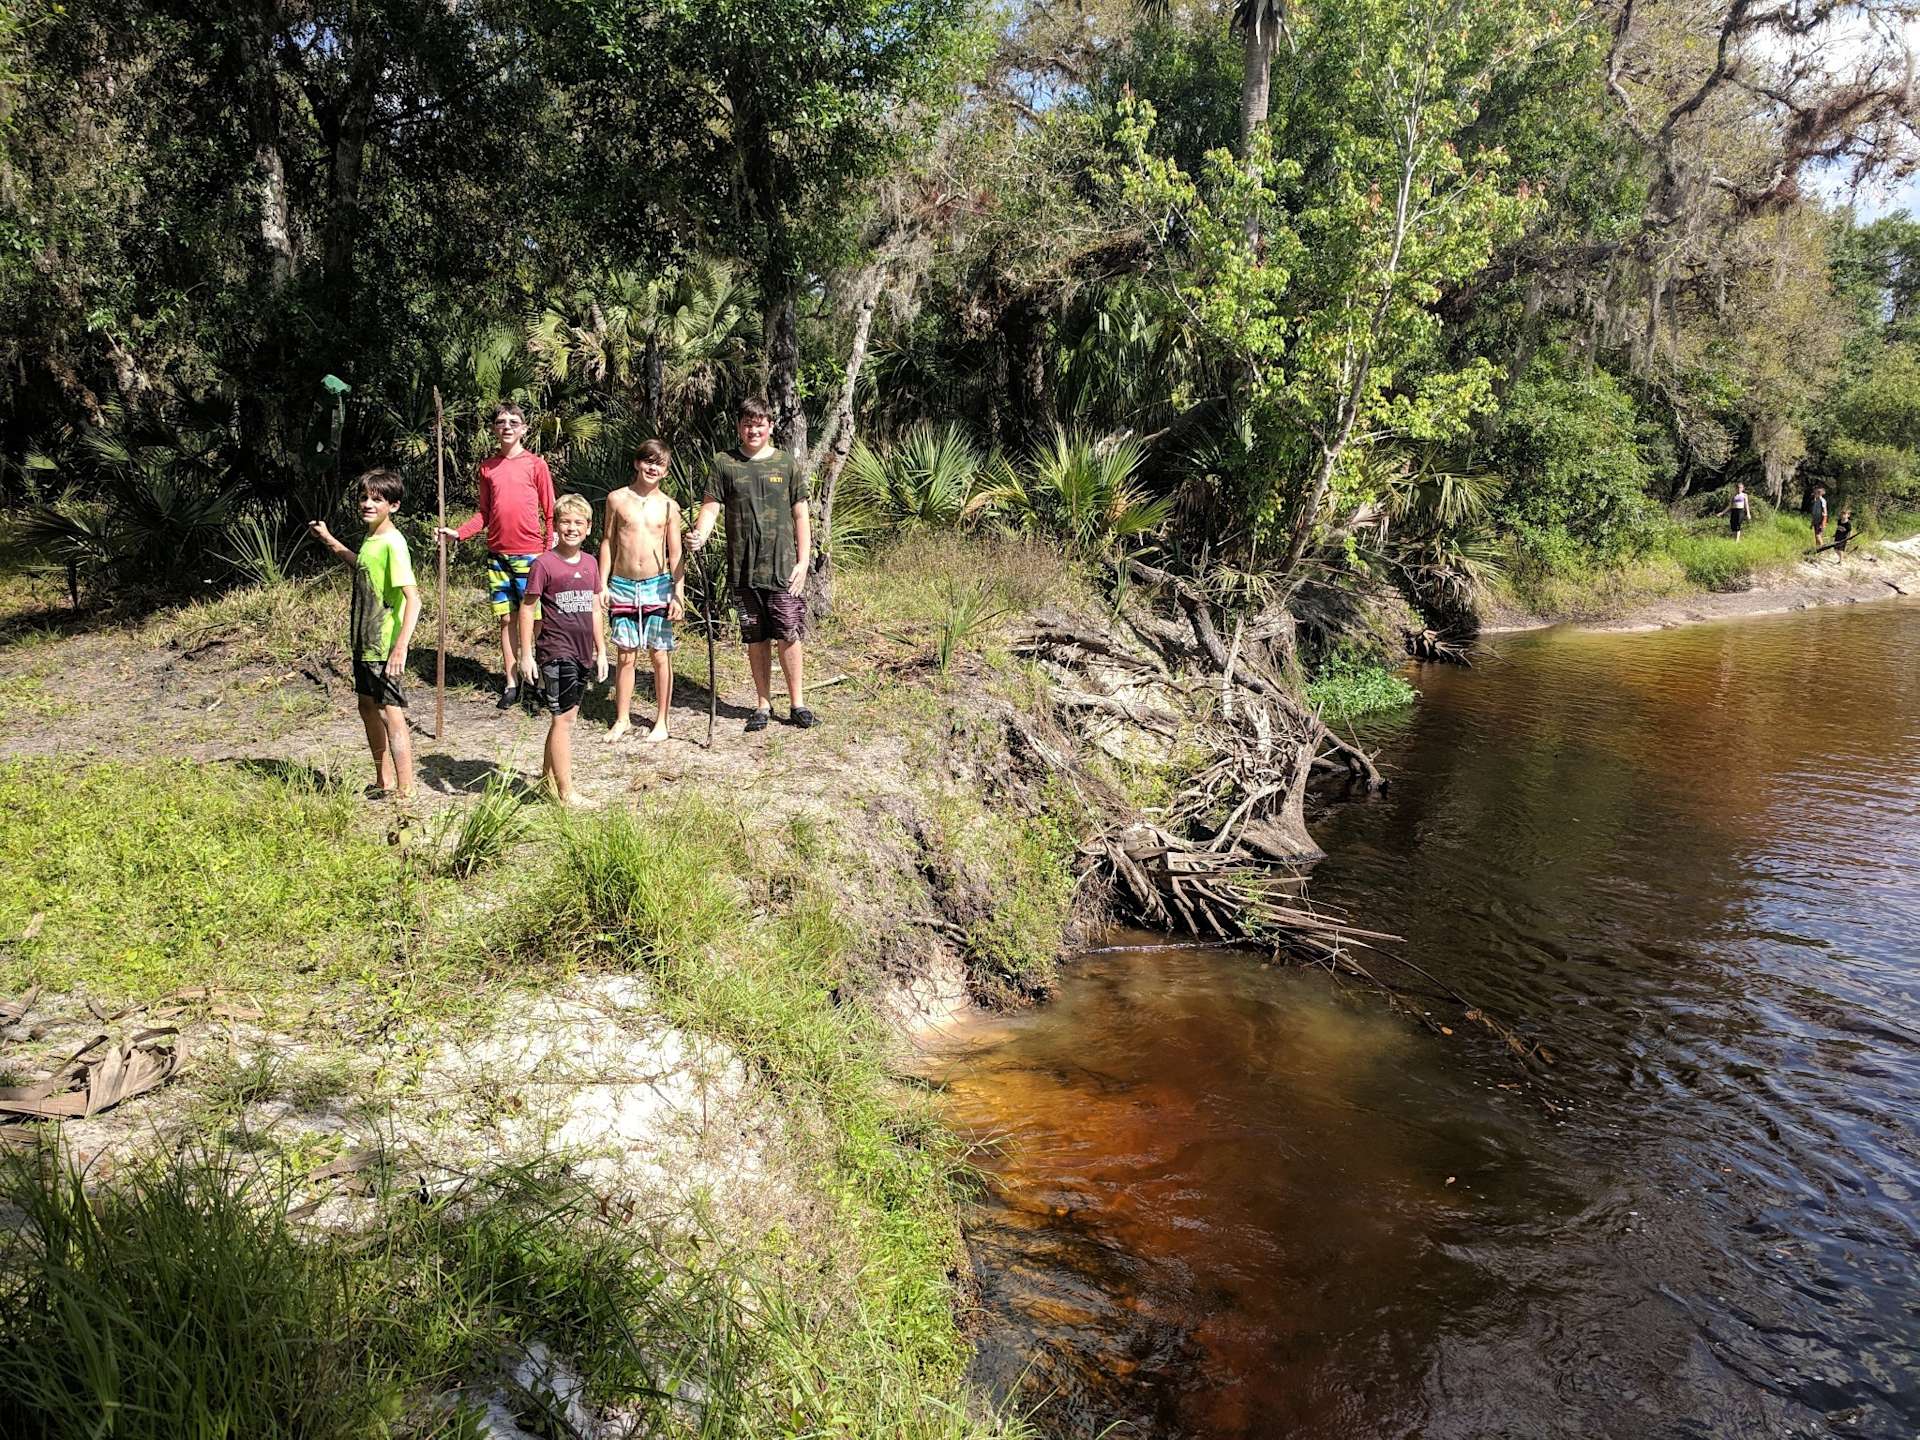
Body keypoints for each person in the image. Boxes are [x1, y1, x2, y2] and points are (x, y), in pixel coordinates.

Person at [688, 397, 816, 732]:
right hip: (743, 569)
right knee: (755, 637)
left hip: (783, 568)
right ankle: (762, 704)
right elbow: (711, 506)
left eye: (759, 424)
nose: (753, 430)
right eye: (747, 424)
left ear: (770, 426)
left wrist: (803, 561)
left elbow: (801, 513)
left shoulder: (786, 464)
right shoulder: (724, 463)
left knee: (788, 633)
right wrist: (699, 534)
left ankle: (797, 703)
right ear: (738, 427)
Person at [308, 470, 420, 800]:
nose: (368, 504)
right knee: (367, 706)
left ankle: (406, 788)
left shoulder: (393, 544)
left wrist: (400, 648)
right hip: (363, 641)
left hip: (383, 642)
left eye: (377, 499)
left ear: (394, 506)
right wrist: (330, 540)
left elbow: (414, 599)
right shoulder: (372, 539)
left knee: (389, 711)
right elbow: (362, 568)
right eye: (365, 498)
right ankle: (383, 780)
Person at [436, 403, 555, 709]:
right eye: (501, 422)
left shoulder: (535, 465)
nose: (507, 427)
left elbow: (549, 510)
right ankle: (512, 682)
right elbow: (484, 514)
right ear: (493, 429)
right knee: (507, 620)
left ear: (524, 428)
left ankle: (539, 681)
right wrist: (459, 533)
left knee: (537, 621)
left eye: (514, 422)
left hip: (530, 555)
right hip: (497, 555)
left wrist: (547, 549)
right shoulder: (488, 467)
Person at [520, 493, 606, 805]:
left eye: (578, 523)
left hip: (583, 652)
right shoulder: (544, 564)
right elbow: (527, 609)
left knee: (563, 718)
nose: (571, 528)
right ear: (555, 526)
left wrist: (602, 651)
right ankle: (567, 793)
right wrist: (526, 653)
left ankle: (546, 782)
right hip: (556, 651)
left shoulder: (591, 563)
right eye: (565, 522)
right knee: (564, 721)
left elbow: (595, 608)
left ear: (588, 528)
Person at [598, 439, 685, 742]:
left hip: (658, 585)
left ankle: (662, 721)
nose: (652, 468)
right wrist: (602, 583)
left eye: (659, 464)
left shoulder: (669, 506)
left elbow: (675, 553)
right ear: (637, 463)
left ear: (665, 471)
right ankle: (622, 718)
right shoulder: (616, 499)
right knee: (625, 654)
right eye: (648, 461)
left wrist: (678, 592)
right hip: (622, 584)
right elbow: (608, 542)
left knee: (660, 655)